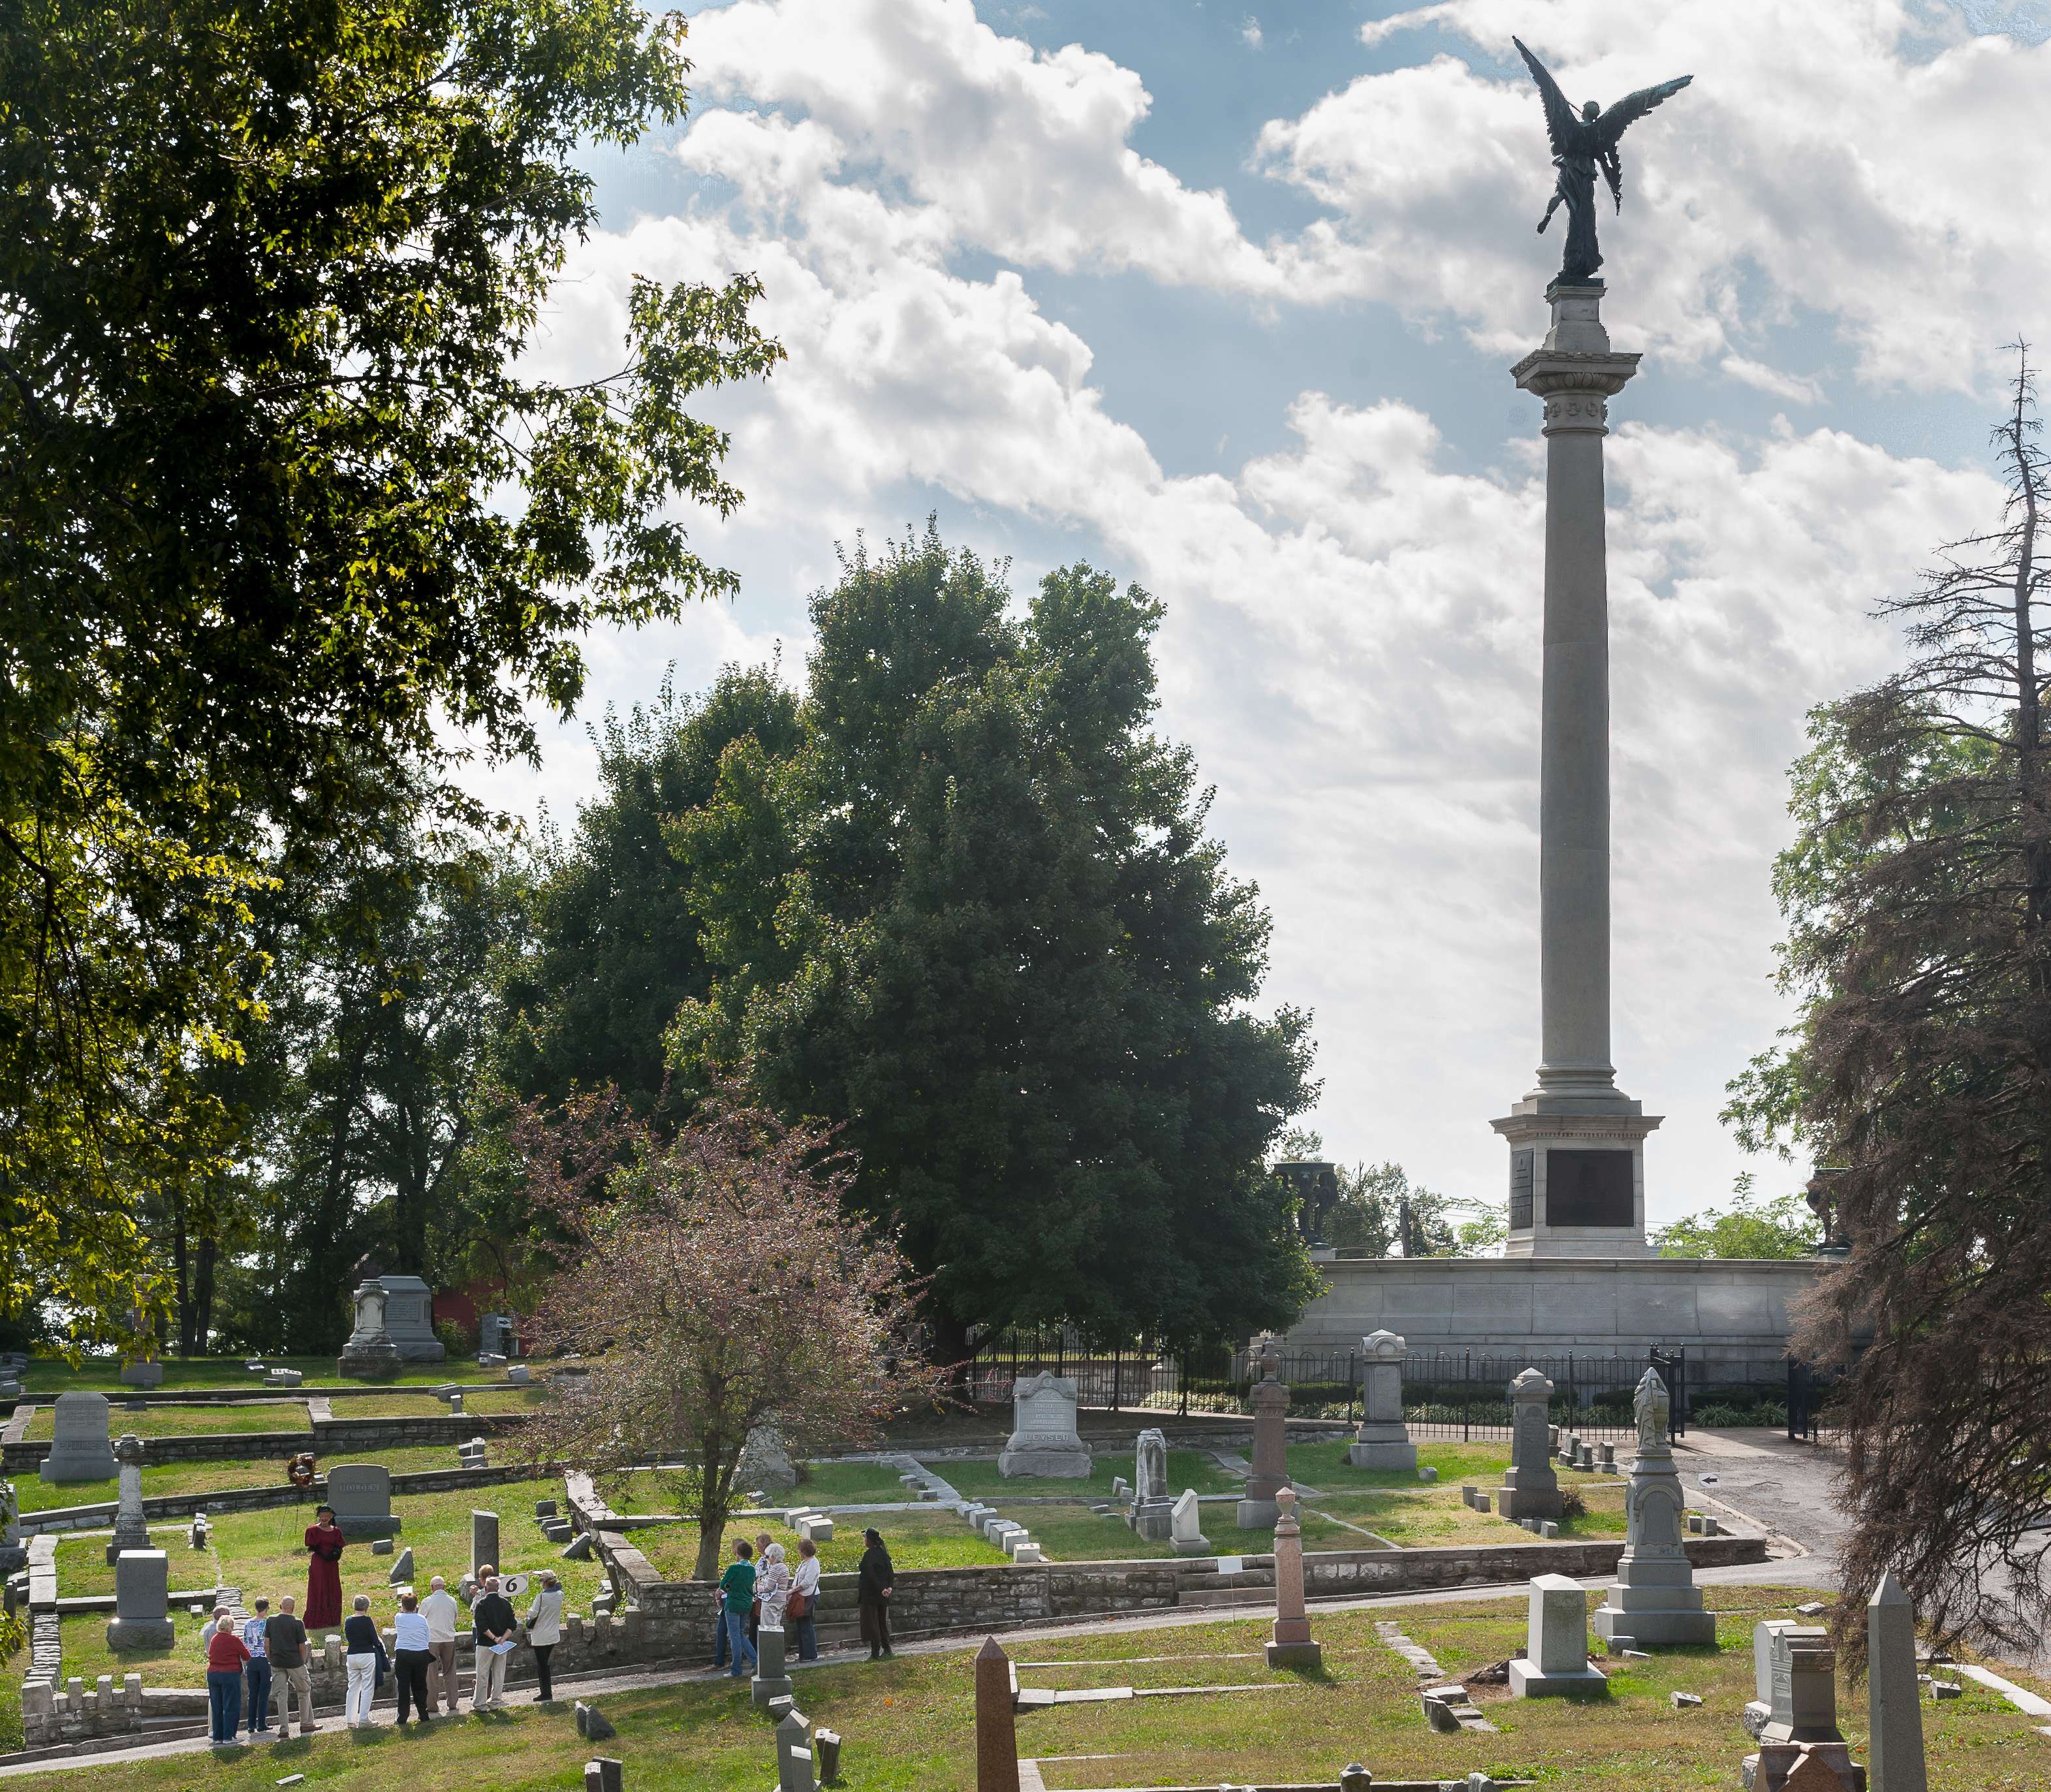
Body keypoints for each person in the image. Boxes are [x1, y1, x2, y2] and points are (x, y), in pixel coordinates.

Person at [265, 1595, 316, 1738]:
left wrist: (271, 1659)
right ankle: (306, 1724)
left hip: (277, 1662)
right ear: (293, 1609)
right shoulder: (297, 1623)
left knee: (281, 1695)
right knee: (304, 1691)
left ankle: (284, 1729)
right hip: (294, 1662)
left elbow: (267, 1643)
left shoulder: (271, 1621)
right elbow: (302, 1646)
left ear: (280, 1606)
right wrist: (301, 1662)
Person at [470, 1569, 517, 1711]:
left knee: (482, 1674)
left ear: (486, 1588)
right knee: (499, 1673)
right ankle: (496, 1700)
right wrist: (502, 1639)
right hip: (502, 1645)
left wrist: (494, 1638)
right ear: (498, 1589)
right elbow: (512, 1625)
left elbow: (482, 1626)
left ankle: (480, 1704)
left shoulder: (482, 1604)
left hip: (485, 1643)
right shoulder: (505, 1603)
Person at [204, 1605, 251, 1744]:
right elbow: (247, 1655)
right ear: (230, 1627)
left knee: (217, 1705)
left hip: (213, 1674)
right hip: (229, 1675)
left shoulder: (215, 1639)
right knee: (231, 1705)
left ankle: (217, 1736)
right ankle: (229, 1736)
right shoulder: (234, 1640)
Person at [420, 1573, 461, 1714]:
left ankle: (432, 1705)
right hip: (449, 1639)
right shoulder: (452, 1601)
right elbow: (455, 1618)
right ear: (444, 1587)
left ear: (432, 1588)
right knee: (450, 1671)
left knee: (431, 1674)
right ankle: (453, 1702)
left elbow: (421, 1621)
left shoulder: (427, 1601)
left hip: (432, 1640)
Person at [391, 1589, 433, 1725]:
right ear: (416, 1606)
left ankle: (402, 1716)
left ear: (403, 1606)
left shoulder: (399, 1617)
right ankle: (423, 1713)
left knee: (403, 1686)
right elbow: (427, 1636)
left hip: (404, 1653)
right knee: (420, 1684)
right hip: (421, 1653)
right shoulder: (422, 1619)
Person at [342, 1593, 383, 1728]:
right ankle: (364, 1718)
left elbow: (348, 1637)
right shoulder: (367, 1620)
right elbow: (374, 1639)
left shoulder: (348, 1620)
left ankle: (350, 1720)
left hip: (352, 1655)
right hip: (366, 1654)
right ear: (367, 1607)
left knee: (353, 1688)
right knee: (367, 1687)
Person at [524, 1568, 565, 1702]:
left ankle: (546, 1693)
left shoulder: (541, 1597)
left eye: (542, 1580)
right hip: (553, 1635)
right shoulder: (560, 1595)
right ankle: (546, 1691)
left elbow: (533, 1613)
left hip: (541, 1636)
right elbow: (559, 1586)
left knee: (542, 1666)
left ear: (545, 1582)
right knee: (545, 1664)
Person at [302, 1505, 346, 1629]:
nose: (325, 1518)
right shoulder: (313, 1530)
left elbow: (340, 1545)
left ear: (331, 1517)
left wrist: (336, 1553)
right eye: (322, 1516)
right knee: (319, 1586)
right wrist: (323, 1554)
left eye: (327, 1516)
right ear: (319, 1517)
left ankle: (333, 1619)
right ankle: (317, 1620)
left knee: (332, 1586)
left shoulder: (336, 1531)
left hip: (332, 1564)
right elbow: (312, 1546)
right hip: (319, 1563)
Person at [719, 1538, 758, 1678]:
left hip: (734, 1603)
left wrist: (730, 1588)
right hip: (746, 1604)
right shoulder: (752, 1569)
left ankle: (736, 1669)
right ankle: (755, 1660)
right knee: (740, 1635)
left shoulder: (734, 1568)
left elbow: (723, 1584)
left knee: (734, 1636)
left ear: (738, 1553)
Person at [857, 1528, 894, 1661]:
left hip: (871, 1594)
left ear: (869, 1541)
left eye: (865, 1538)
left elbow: (870, 1575)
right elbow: (890, 1572)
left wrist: (881, 1589)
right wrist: (888, 1587)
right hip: (882, 1594)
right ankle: (887, 1648)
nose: (864, 1540)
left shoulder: (869, 1555)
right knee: (881, 1621)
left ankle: (875, 1652)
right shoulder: (883, 1554)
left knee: (872, 1623)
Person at [241, 1597, 273, 1737]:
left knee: (252, 1693)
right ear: (266, 1609)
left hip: (251, 1660)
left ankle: (250, 1724)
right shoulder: (267, 1624)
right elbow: (268, 1643)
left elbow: (245, 1642)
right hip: (263, 1660)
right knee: (264, 1693)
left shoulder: (248, 1624)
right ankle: (261, 1723)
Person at [787, 1537, 821, 1662]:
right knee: (801, 1626)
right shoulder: (805, 1563)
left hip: (808, 1597)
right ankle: (803, 1654)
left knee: (807, 1625)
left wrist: (793, 1590)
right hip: (801, 1596)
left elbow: (807, 1582)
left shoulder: (813, 1563)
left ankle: (810, 1654)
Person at [756, 1542, 791, 1648]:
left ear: (773, 1556)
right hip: (780, 1601)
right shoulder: (784, 1567)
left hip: (772, 1602)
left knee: (768, 1629)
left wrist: (757, 1588)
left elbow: (769, 1588)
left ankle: (770, 1652)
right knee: (776, 1628)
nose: (767, 1559)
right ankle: (775, 1651)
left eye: (767, 1556)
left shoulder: (775, 1568)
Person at [747, 1530, 775, 1648]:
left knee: (758, 1626)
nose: (756, 1545)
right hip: (760, 1596)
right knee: (755, 1626)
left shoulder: (767, 1560)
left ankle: (757, 1652)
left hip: (764, 1598)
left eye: (758, 1543)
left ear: (764, 1545)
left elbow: (758, 1575)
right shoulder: (766, 1558)